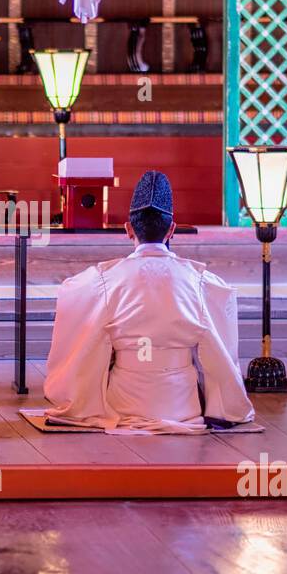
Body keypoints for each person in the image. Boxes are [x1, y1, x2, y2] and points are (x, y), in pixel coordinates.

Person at [42, 170, 254, 434]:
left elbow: (70, 298)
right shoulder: (202, 282)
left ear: (128, 229)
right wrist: (225, 407)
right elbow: (220, 350)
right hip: (183, 407)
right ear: (172, 230)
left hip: (124, 404)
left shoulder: (104, 279)